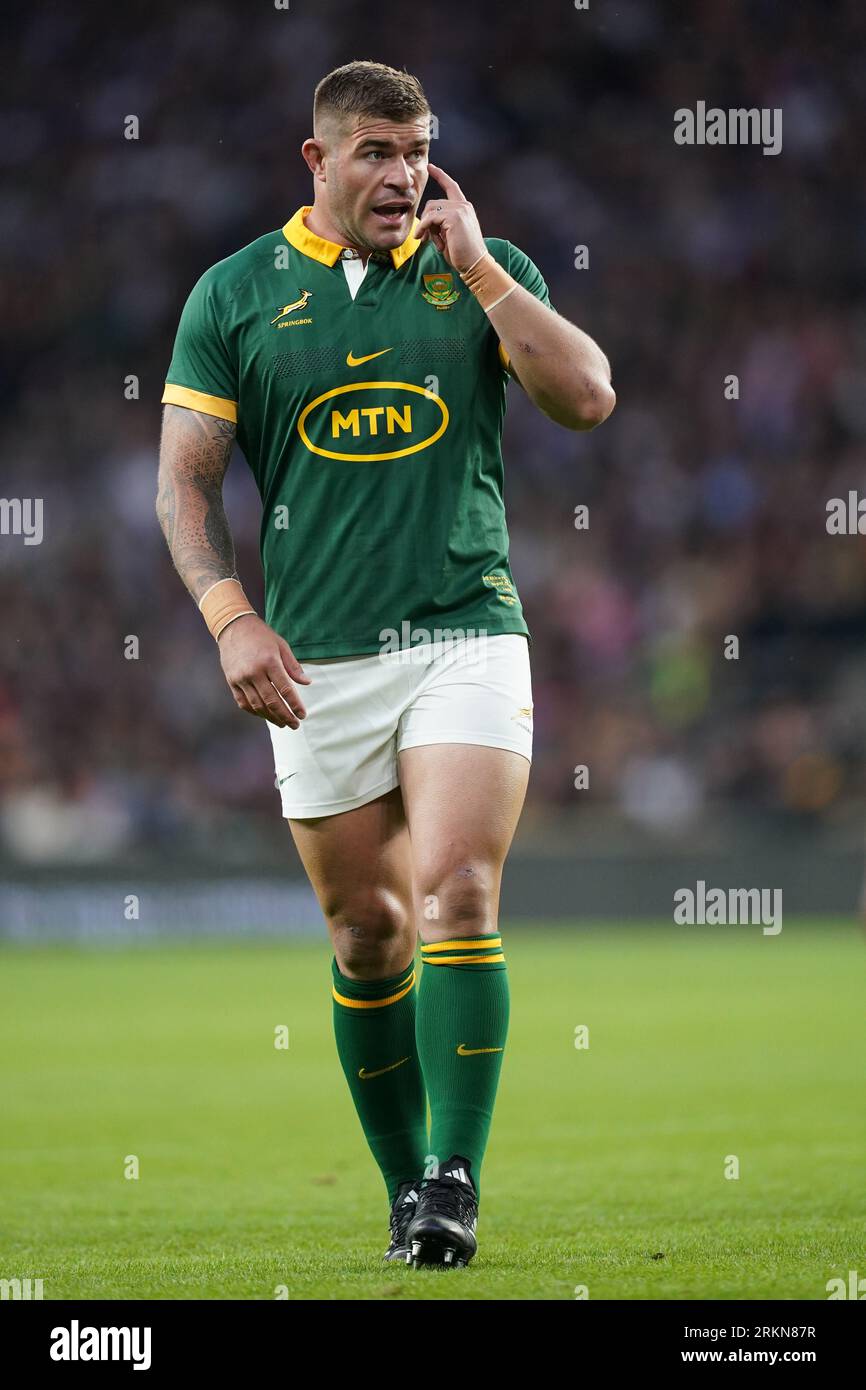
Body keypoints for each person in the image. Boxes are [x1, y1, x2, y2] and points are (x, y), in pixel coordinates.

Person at [156, 58, 615, 1270]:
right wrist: (226, 617)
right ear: (317, 161)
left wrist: (473, 264)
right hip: (315, 664)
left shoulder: (481, 268)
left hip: (465, 630)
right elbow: (185, 482)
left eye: (417, 153)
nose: (403, 177)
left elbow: (586, 396)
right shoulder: (235, 294)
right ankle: (407, 1187)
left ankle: (456, 1177)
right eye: (375, 152)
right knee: (367, 933)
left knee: (456, 890)